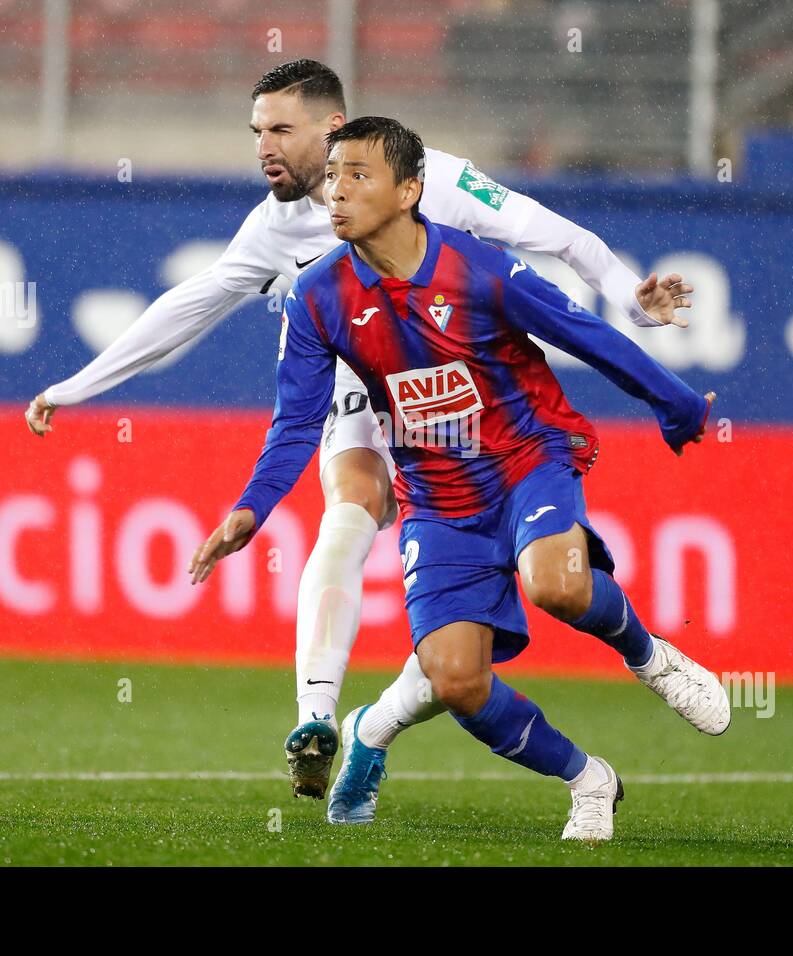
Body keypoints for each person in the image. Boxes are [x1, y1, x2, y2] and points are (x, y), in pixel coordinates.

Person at [25, 59, 701, 802]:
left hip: (464, 386)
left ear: (334, 128)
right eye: (256, 131)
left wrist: (630, 305)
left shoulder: (431, 179)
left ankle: (375, 726)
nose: (264, 147)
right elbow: (192, 303)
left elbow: (554, 236)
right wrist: (77, 386)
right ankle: (315, 716)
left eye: (280, 128)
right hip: (357, 367)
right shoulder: (276, 230)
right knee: (349, 513)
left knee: (504, 616)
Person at [188, 117, 729, 841]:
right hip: (437, 497)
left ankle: (650, 658)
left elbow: (586, 335)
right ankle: (588, 778)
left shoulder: (479, 269)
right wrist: (250, 510)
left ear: (410, 189)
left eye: (358, 175)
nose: (335, 193)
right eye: (333, 176)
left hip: (526, 455)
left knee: (556, 583)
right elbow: (294, 424)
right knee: (456, 680)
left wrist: (677, 405)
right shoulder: (317, 297)